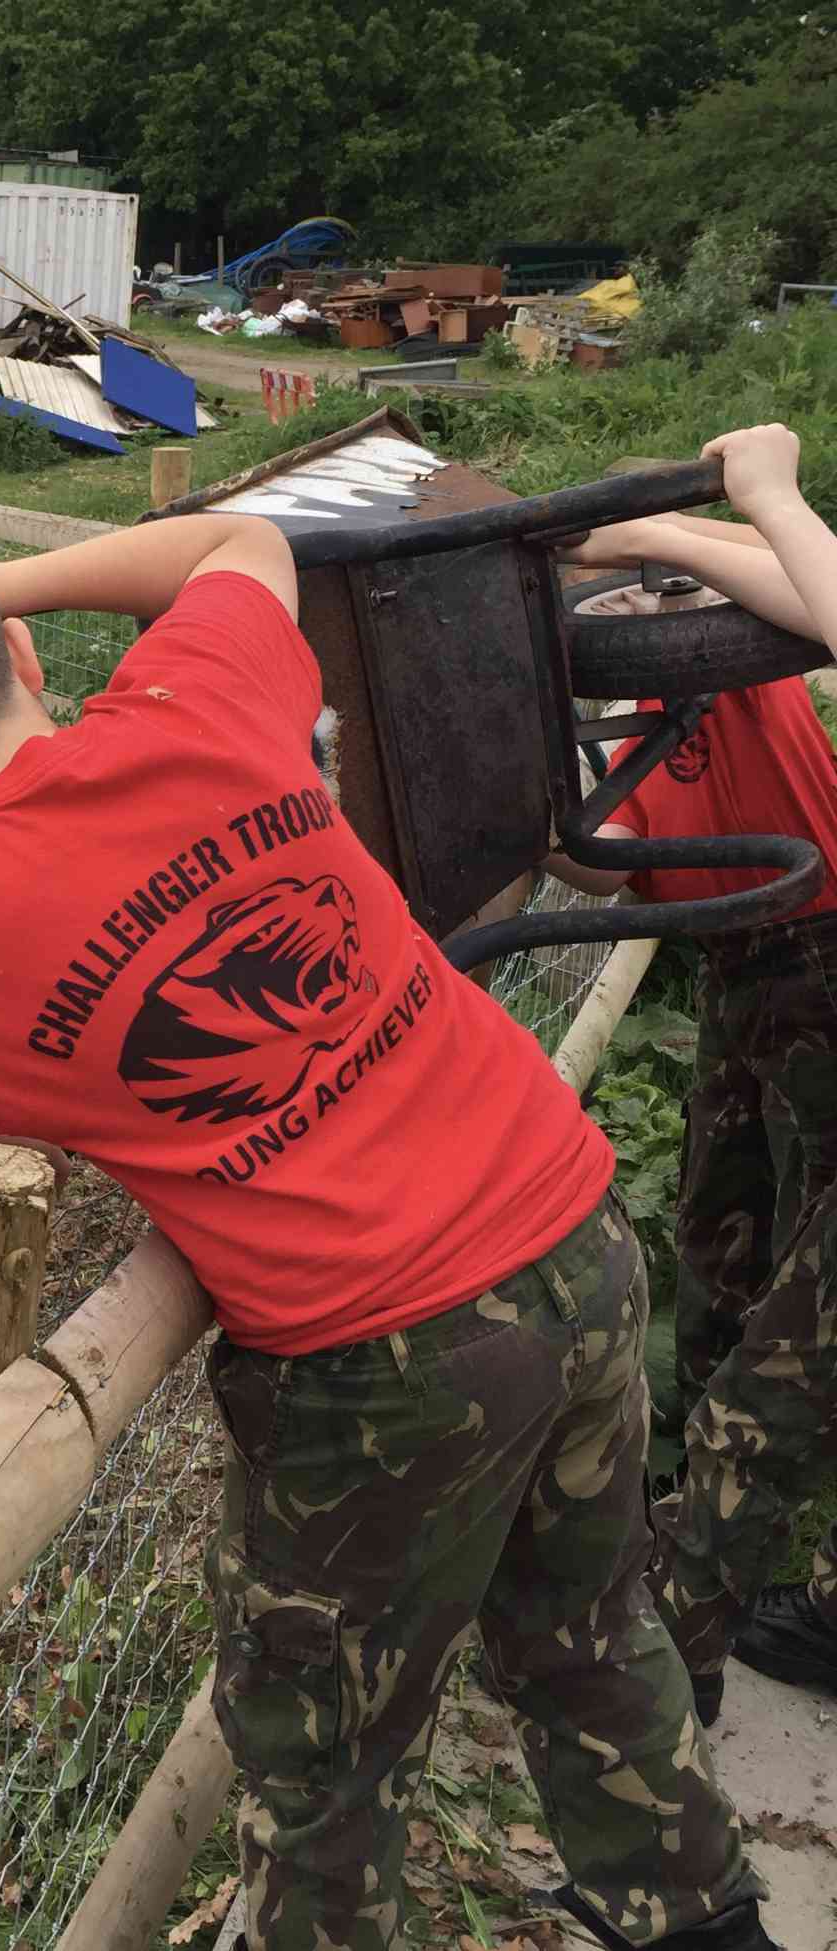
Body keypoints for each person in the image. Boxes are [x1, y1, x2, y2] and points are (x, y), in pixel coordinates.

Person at [0, 509, 777, 1949]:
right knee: (594, 1627)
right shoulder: (199, 697)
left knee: (327, 1768)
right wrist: (4, 575)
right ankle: (703, 1922)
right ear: (24, 656)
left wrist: (52, 1096)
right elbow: (244, 543)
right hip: (572, 1227)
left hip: (387, 1366)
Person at [545, 424, 837, 1727]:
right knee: (725, 1241)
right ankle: (706, 1556)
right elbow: (606, 860)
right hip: (735, 961)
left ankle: (675, 1641)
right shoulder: (616, 714)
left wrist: (678, 528)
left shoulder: (739, 636)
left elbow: (789, 578)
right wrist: (535, 817)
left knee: (797, 1339)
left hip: (821, 942)